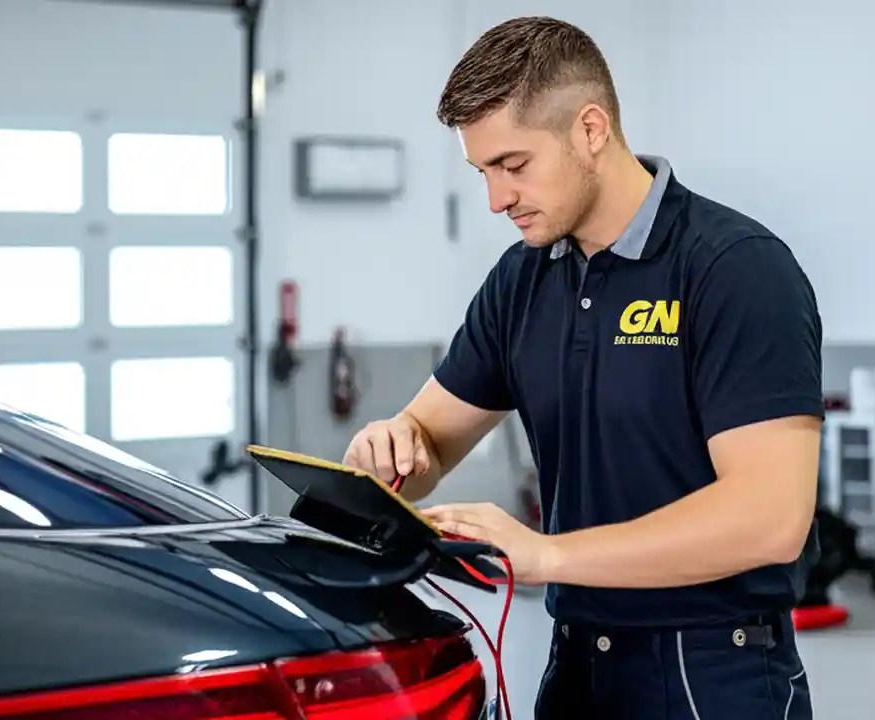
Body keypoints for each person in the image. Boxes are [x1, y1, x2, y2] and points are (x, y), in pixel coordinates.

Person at [342, 15, 822, 720]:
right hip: (575, 666)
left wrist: (546, 556)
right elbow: (429, 438)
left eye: (513, 166)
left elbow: (769, 518)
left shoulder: (734, 269)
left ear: (591, 130)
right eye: (482, 173)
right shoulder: (523, 280)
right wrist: (392, 448)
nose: (496, 199)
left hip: (711, 670)